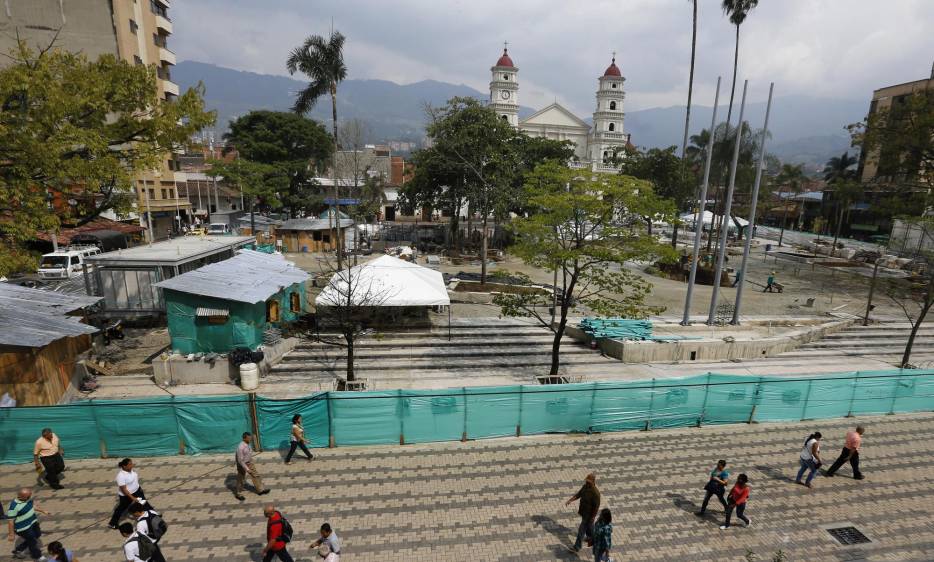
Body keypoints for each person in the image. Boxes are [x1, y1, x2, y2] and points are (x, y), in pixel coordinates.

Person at [7, 488, 49, 562]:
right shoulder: (13, 507)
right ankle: (38, 556)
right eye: (28, 496)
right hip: (23, 528)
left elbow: (32, 506)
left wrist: (43, 511)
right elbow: (10, 521)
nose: (30, 497)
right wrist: (11, 534)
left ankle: (19, 549)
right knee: (32, 542)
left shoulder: (27, 499)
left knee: (37, 534)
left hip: (33, 522)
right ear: (21, 497)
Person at [108, 459, 148, 529]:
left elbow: (134, 480)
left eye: (131, 463)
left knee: (144, 502)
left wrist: (139, 488)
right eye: (130, 464)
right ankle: (112, 523)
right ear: (124, 466)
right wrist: (133, 498)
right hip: (126, 496)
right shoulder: (121, 476)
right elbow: (124, 490)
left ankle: (151, 515)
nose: (132, 465)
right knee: (120, 509)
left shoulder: (131, 470)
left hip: (137, 491)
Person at [565, 473, 600, 552]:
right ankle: (593, 539)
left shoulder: (595, 493)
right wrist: (570, 500)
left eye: (589, 482)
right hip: (584, 512)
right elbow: (578, 494)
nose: (587, 483)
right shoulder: (585, 487)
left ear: (593, 482)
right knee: (590, 528)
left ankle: (576, 547)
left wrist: (593, 517)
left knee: (581, 530)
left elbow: (596, 507)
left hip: (589, 515)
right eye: (586, 481)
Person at [235, 432, 270, 501]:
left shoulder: (248, 444)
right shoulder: (240, 447)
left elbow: (249, 453)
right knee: (241, 479)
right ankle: (238, 493)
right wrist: (247, 469)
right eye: (249, 438)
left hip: (249, 462)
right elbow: (240, 461)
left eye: (250, 438)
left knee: (256, 475)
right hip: (242, 464)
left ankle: (260, 490)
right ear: (244, 438)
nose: (250, 439)